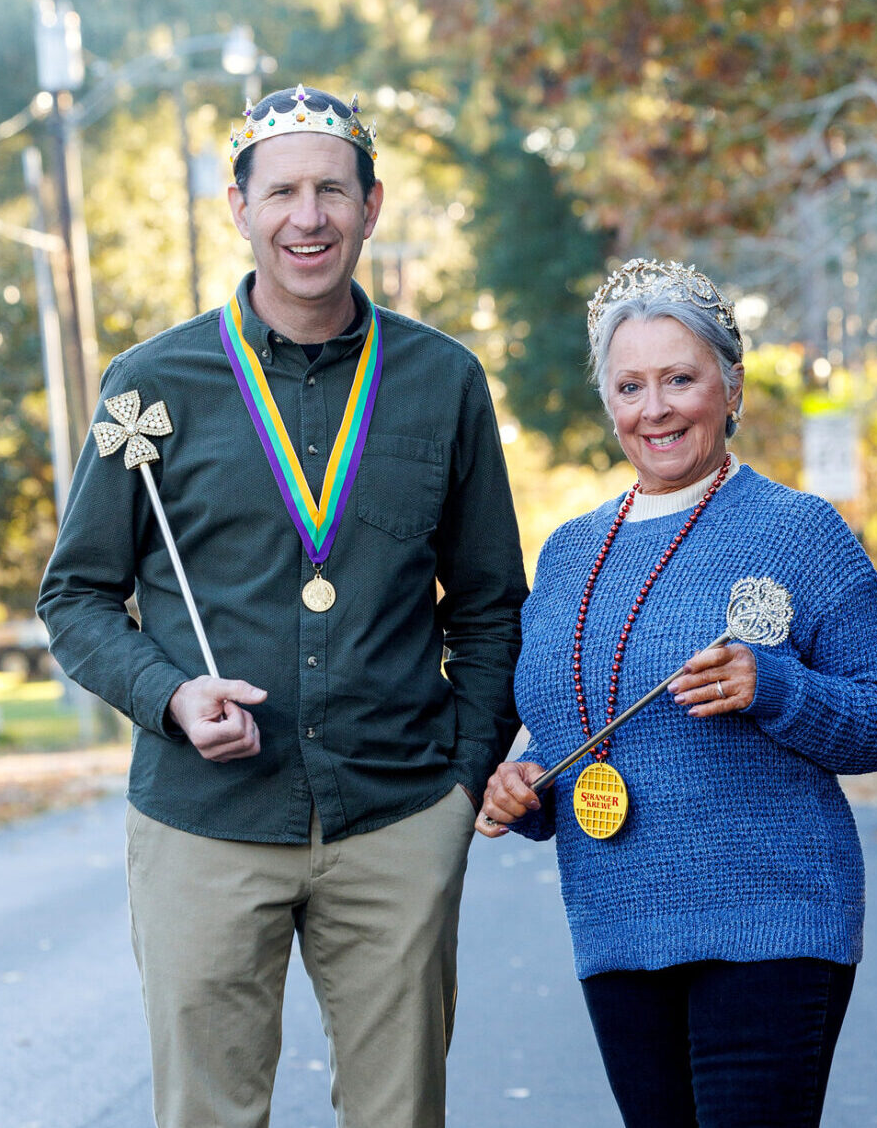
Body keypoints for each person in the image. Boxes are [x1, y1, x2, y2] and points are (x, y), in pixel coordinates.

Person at [37, 85, 527, 1128]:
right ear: (239, 208)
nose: (309, 217)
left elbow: (488, 606)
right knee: (208, 1115)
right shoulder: (149, 385)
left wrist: (459, 784)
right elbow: (75, 594)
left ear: (372, 206)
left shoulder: (444, 381)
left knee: (399, 1115)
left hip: (396, 812)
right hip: (203, 825)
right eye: (285, 193)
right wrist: (167, 696)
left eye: (332, 192)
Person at [474, 258, 877, 1127]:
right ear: (608, 401)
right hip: (618, 928)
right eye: (630, 385)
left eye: (680, 378)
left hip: (773, 924)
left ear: (730, 384)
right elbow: (568, 728)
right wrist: (523, 787)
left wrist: (773, 686)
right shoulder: (567, 554)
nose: (656, 408)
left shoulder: (799, 530)